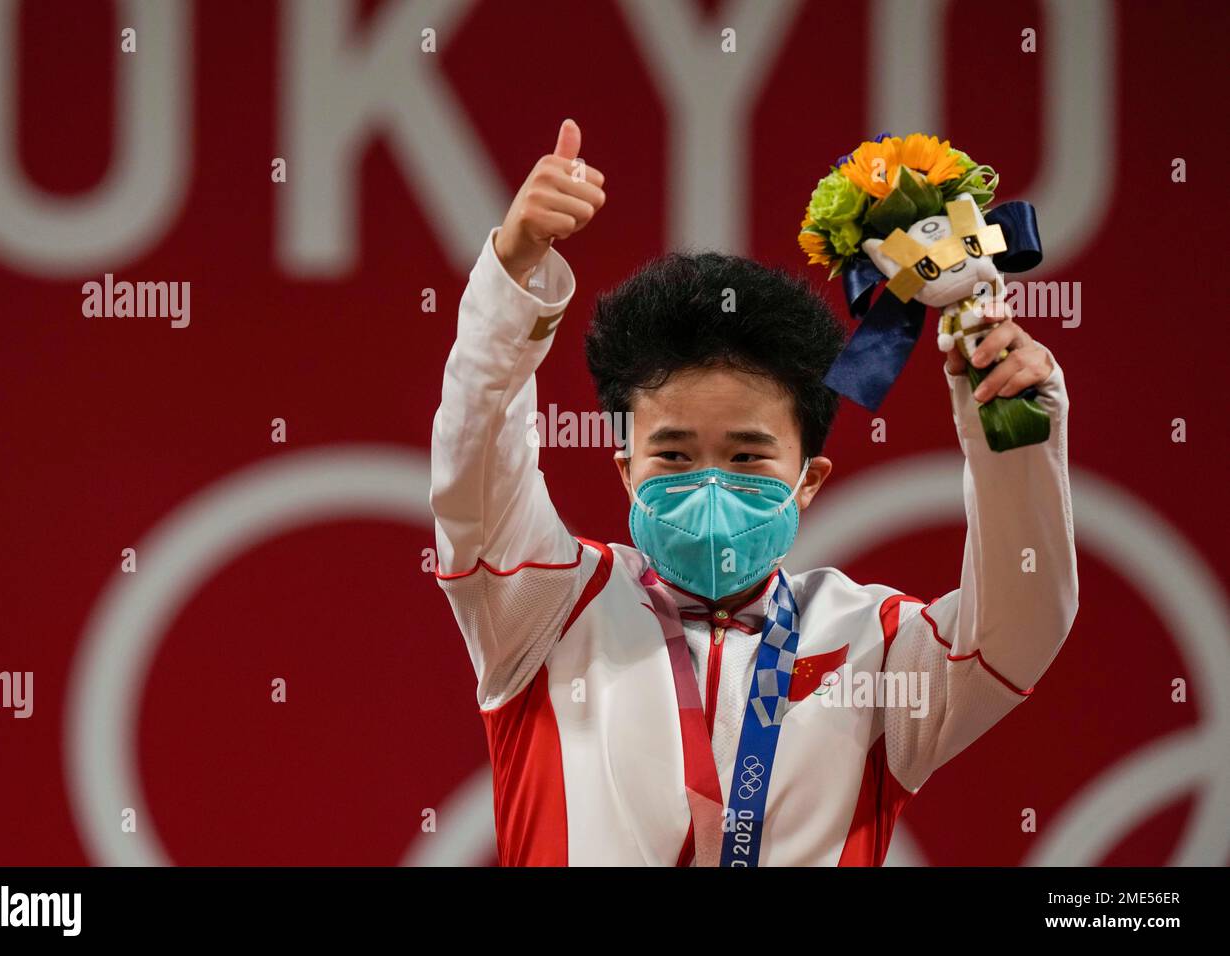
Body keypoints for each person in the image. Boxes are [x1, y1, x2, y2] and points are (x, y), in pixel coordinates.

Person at [429, 118, 1078, 866]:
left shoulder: (876, 646)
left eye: (747, 457)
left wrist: (1013, 436)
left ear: (810, 482)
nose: (710, 483)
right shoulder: (545, 611)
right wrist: (513, 277)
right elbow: (473, 467)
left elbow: (1023, 625)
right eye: (672, 455)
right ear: (624, 471)